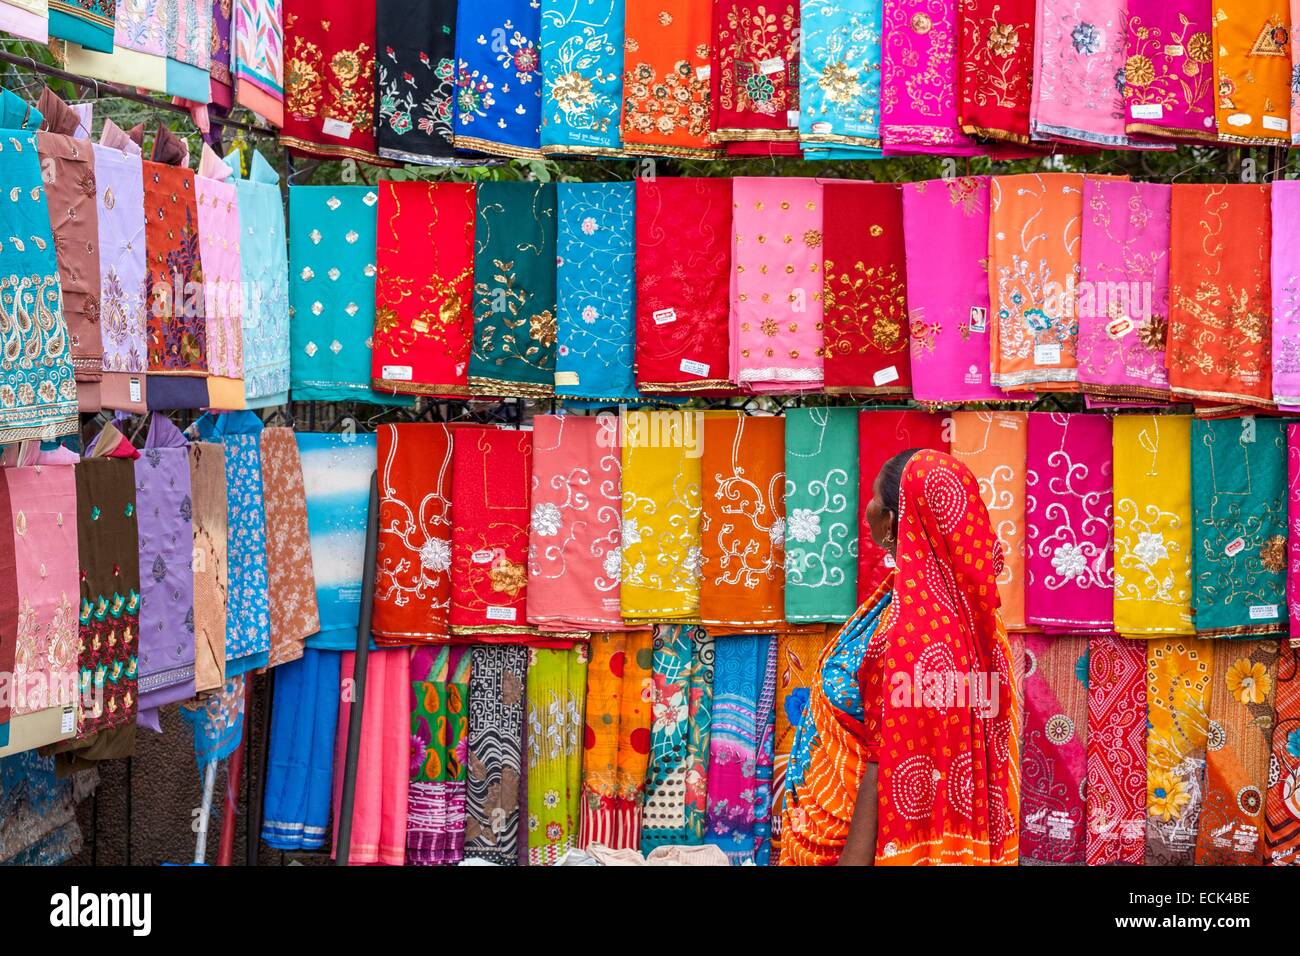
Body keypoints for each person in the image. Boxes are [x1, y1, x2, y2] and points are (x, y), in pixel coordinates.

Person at [777, 448, 1019, 865]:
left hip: (854, 839)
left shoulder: (910, 630)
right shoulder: (973, 618)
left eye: (873, 496)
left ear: (893, 521)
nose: (866, 506)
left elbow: (885, 760)